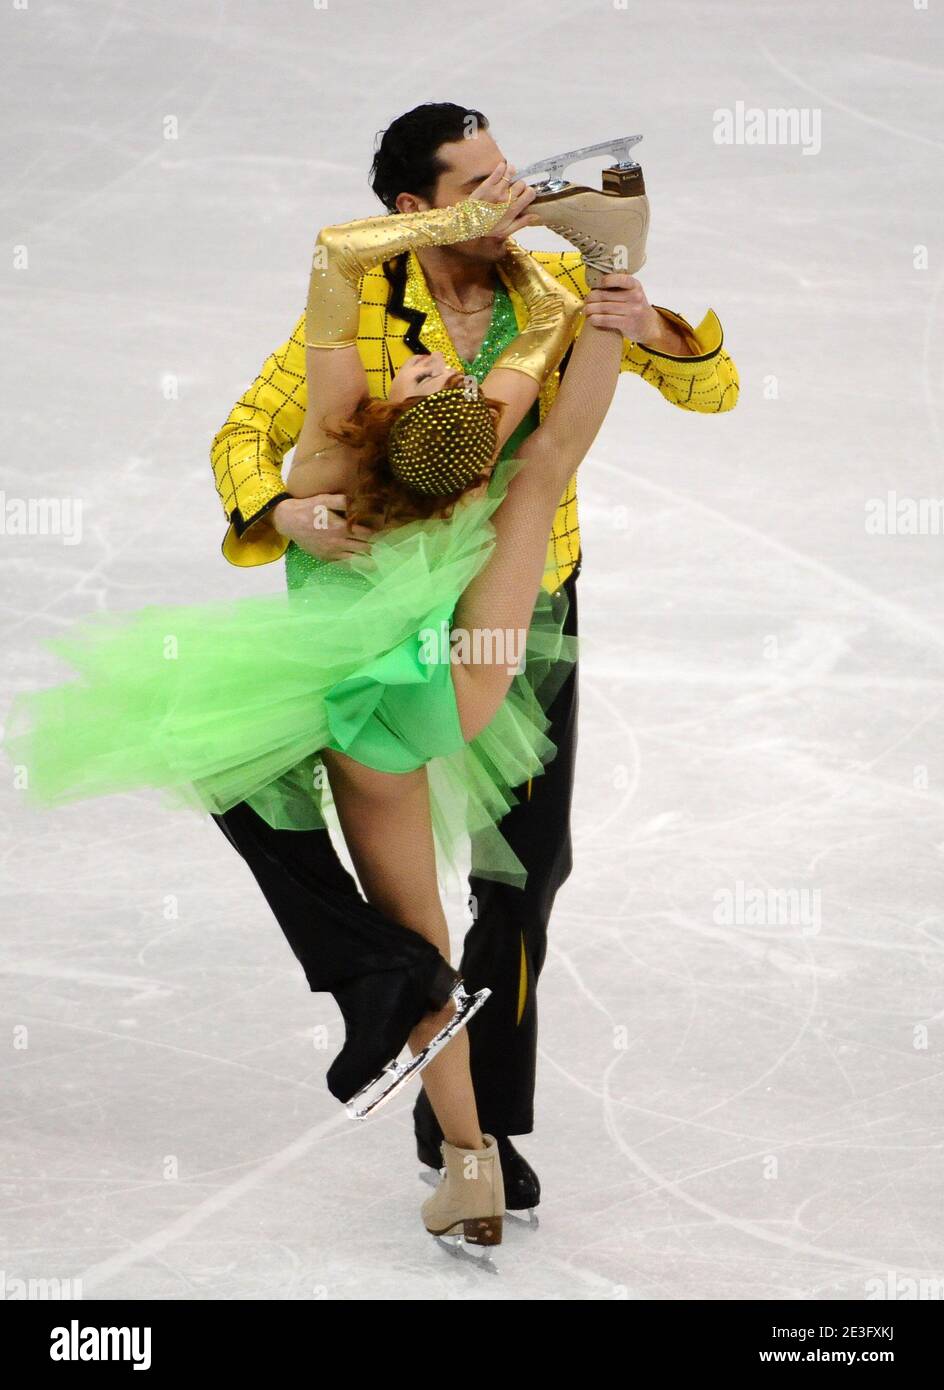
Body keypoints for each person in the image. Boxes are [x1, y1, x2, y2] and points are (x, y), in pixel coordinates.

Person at [6, 165, 632, 1252]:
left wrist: (463, 230)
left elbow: (337, 260)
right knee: (542, 488)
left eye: (428, 371)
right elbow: (554, 425)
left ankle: (451, 1118)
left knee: (390, 917)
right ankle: (469, 1167)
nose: (436, 362)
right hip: (465, 690)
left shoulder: (335, 445)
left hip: (359, 716)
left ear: (393, 413)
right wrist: (609, 268)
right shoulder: (493, 481)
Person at [208, 104, 740, 1219]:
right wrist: (287, 510)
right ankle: (463, 1122)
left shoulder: (546, 291)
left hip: (516, 608)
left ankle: (466, 1119)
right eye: (483, 184)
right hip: (420, 624)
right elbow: (245, 441)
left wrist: (647, 322)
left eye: (517, 176)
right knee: (286, 808)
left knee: (522, 873)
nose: (517, 202)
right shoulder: (363, 321)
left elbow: (707, 395)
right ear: (416, 208)